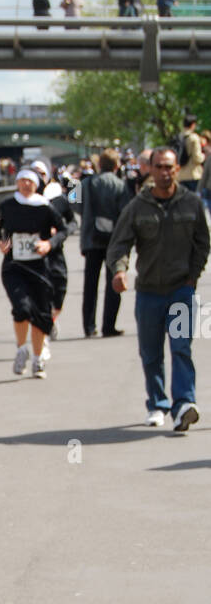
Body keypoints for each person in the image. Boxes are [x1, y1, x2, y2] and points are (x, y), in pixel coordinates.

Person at [107, 147, 209, 429]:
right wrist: (119, 271)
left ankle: (184, 404)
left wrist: (192, 277)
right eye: (159, 167)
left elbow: (203, 242)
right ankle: (157, 404)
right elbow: (119, 245)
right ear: (150, 170)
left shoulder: (191, 203)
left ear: (177, 169)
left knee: (181, 348)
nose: (165, 172)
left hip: (181, 290)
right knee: (151, 354)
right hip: (149, 292)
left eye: (169, 167)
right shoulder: (137, 207)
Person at [0, 166, 66, 378]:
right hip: (15, 266)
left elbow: (63, 229)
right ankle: (21, 349)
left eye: (30, 181)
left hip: (40, 268)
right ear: (17, 182)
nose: (26, 184)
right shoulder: (8, 205)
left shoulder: (44, 207)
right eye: (22, 180)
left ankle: (37, 359)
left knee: (41, 314)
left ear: (37, 185)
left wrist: (49, 243)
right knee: (22, 308)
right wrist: (0, 241)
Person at [79, 148, 131, 337]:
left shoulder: (84, 183)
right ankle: (109, 325)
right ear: (117, 166)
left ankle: (89, 326)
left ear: (99, 165)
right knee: (113, 282)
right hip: (114, 240)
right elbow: (126, 212)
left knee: (90, 284)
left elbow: (72, 203)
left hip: (91, 238)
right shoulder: (121, 185)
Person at [30, 159, 75, 343]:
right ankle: (42, 327)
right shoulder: (24, 200)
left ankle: (51, 318)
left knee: (59, 290)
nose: (38, 178)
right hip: (33, 254)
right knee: (38, 293)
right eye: (34, 173)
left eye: (42, 173)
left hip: (55, 251)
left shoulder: (58, 198)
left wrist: (59, 231)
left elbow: (72, 223)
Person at [176, 115, 204, 192]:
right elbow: (197, 158)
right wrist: (204, 156)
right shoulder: (193, 137)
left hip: (180, 175)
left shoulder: (178, 137)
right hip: (193, 174)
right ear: (193, 124)